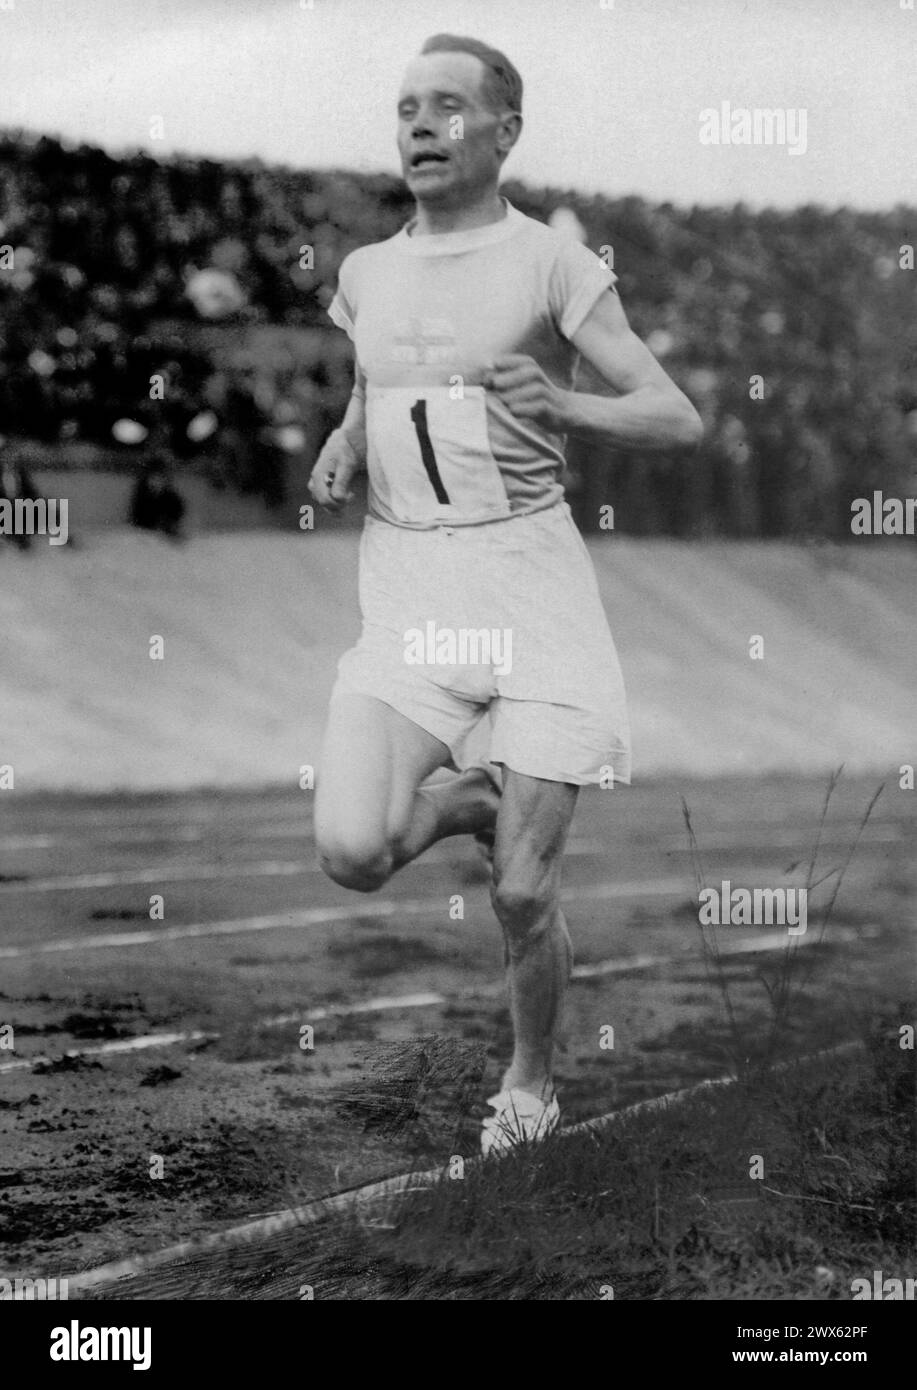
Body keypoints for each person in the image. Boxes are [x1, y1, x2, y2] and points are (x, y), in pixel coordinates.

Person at [309, 34, 702, 1155]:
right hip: (407, 580)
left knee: (523, 896)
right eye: (405, 109)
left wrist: (564, 406)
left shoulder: (552, 266)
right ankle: (482, 796)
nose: (420, 127)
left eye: (446, 107)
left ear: (503, 132)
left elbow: (674, 414)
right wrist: (345, 445)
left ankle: (528, 1085)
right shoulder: (366, 271)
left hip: (527, 581)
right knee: (349, 848)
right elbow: (370, 382)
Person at [129, 455, 186, 539]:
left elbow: (177, 514)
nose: (156, 482)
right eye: (153, 478)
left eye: (159, 478)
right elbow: (138, 520)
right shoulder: (142, 497)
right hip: (146, 536)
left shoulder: (171, 498)